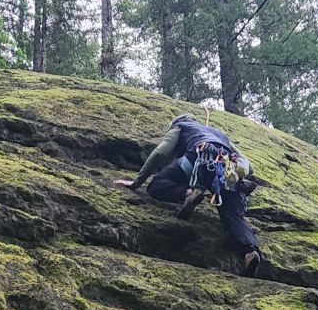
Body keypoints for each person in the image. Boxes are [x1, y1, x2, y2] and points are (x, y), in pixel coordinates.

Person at [113, 114, 263, 272]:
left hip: (197, 160)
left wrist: (136, 182)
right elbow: (249, 167)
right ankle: (249, 251)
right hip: (226, 170)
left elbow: (160, 152)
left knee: (157, 184)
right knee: (233, 216)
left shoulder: (181, 126)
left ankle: (189, 192)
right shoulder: (219, 134)